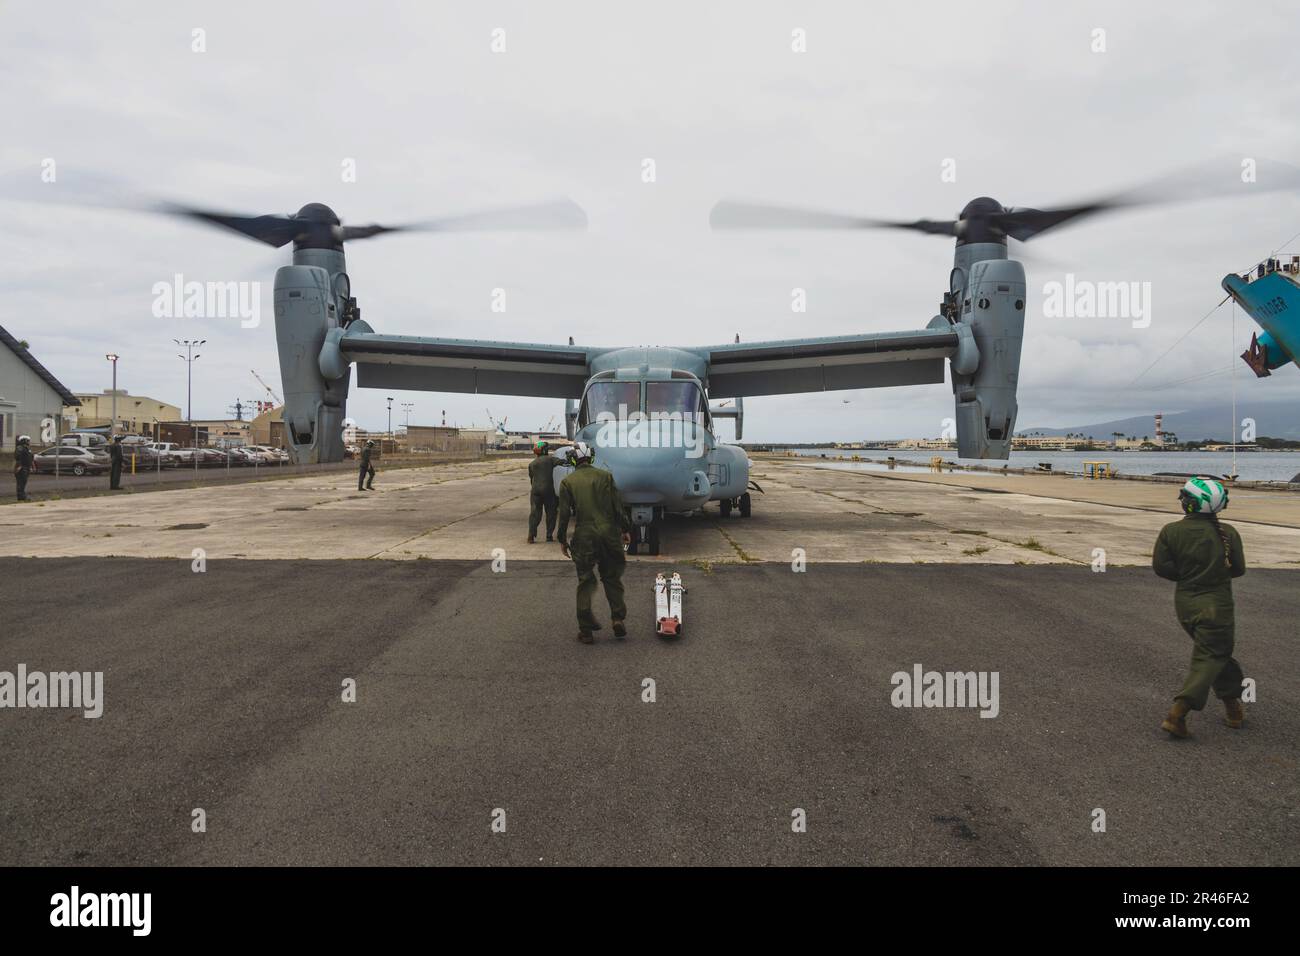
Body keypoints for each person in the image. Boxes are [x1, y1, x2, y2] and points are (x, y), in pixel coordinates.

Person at [1152, 477, 1247, 739]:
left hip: (1185, 605)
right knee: (1212, 655)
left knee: (1214, 653)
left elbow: (1162, 567)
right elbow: (1238, 569)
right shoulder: (1229, 532)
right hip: (1217, 605)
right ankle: (1178, 711)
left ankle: (1232, 707)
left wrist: (1187, 576)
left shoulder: (1170, 531)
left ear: (1189, 503)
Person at [556, 441, 633, 644]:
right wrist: (625, 529)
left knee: (586, 581)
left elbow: (563, 515)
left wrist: (562, 539)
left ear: (573, 459)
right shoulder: (606, 476)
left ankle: (586, 630)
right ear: (591, 457)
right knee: (612, 578)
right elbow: (618, 507)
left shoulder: (567, 482)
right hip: (609, 535)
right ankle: (617, 618)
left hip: (584, 537)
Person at [527, 440, 560, 543]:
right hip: (548, 490)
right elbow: (563, 462)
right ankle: (549, 536)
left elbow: (531, 478)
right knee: (551, 512)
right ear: (545, 450)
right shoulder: (550, 459)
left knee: (535, 512)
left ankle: (531, 536)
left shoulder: (532, 464)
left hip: (535, 491)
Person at [13, 435, 34, 501]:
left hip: (26, 468)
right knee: (20, 483)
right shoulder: (20, 448)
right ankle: (21, 496)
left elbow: (30, 458)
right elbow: (18, 457)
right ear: (24, 441)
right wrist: (19, 466)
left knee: (24, 482)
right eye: (28, 441)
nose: (29, 442)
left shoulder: (27, 448)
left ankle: (22, 495)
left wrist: (31, 466)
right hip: (22, 468)